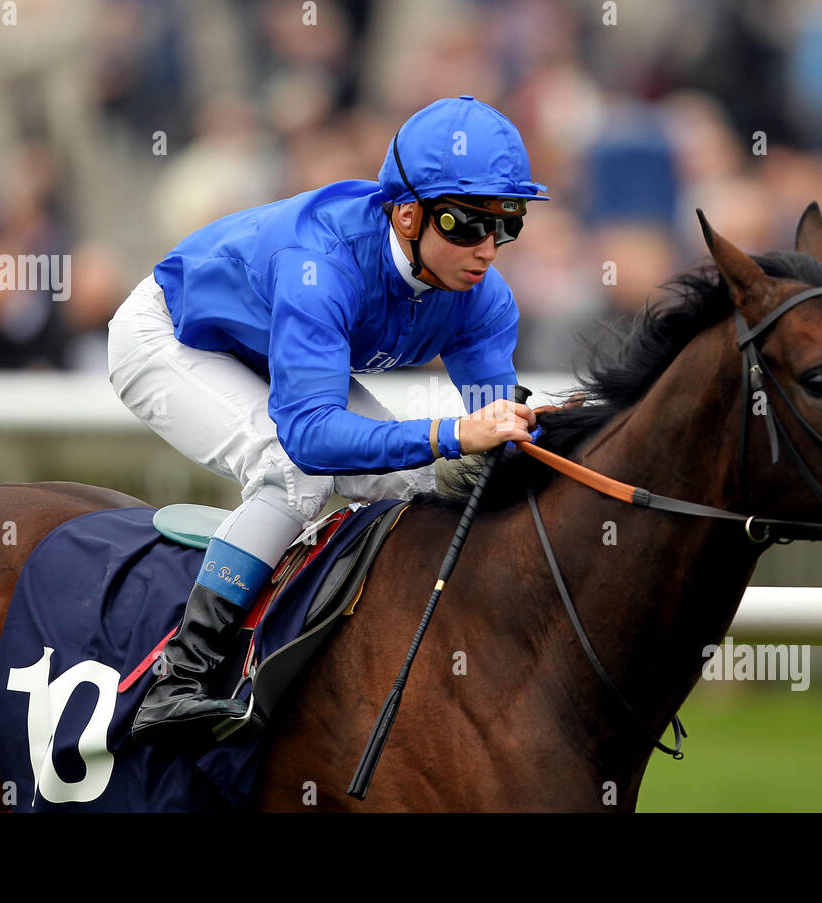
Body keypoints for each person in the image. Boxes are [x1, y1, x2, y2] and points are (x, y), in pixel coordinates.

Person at [107, 96, 546, 747]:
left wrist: (543, 433)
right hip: (171, 336)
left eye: (506, 225)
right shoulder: (323, 266)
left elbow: (498, 428)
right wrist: (450, 434)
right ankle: (178, 680)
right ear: (407, 213)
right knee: (291, 473)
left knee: (416, 488)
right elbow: (311, 440)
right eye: (464, 223)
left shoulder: (483, 299)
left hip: (270, 348)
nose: (486, 250)